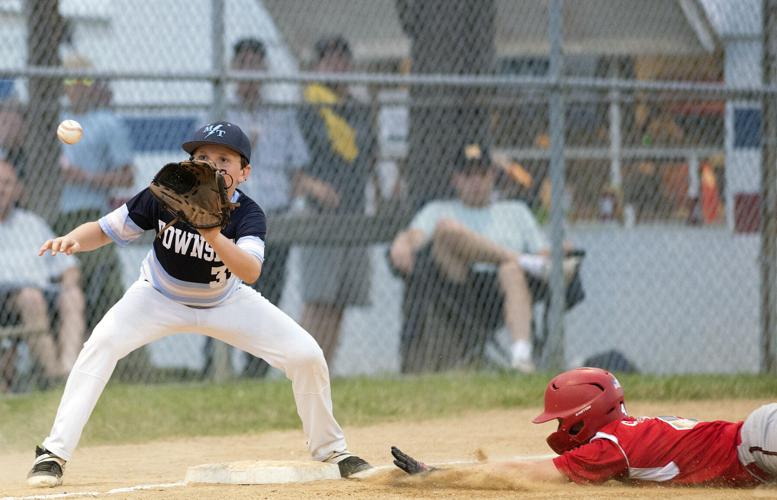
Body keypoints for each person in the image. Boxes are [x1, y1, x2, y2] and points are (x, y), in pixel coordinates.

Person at [26, 121, 371, 488]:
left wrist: (211, 233)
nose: (213, 164)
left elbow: (250, 270)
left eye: (225, 158)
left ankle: (332, 450)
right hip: (156, 296)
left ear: (245, 172)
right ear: (190, 164)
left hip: (226, 301)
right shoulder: (164, 196)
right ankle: (53, 453)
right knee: (101, 344)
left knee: (306, 355)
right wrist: (72, 240)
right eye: (202, 156)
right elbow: (106, 229)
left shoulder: (248, 214)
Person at [391, 367, 776, 487]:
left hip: (758, 444)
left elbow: (530, 472)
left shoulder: (611, 447)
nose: (559, 427)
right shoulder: (623, 434)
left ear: (583, 416)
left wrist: (439, 476)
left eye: (561, 419)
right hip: (756, 443)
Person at [389, 142, 579, 373]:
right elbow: (414, 237)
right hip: (460, 288)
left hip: (507, 287)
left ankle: (521, 358)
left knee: (510, 269)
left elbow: (541, 250)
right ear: (455, 179)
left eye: (482, 174)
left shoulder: (516, 211)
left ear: (492, 175)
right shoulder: (438, 209)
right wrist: (401, 241)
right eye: (468, 175)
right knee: (447, 229)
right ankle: (520, 259)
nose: (476, 182)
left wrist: (559, 250)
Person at [203, 37, 311, 378]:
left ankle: (254, 372)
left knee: (267, 293)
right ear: (234, 69)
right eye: (244, 63)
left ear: (264, 70)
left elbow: (299, 166)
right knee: (217, 288)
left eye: (256, 63)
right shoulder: (219, 112)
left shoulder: (281, 115)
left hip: (274, 213)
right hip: (230, 216)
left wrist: (289, 201)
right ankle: (214, 369)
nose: (250, 71)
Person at [296, 35, 375, 365]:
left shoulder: (359, 108)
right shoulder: (306, 106)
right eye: (329, 59)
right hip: (319, 214)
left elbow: (371, 157)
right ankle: (300, 366)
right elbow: (292, 163)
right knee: (318, 299)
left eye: (343, 59)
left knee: (341, 298)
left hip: (354, 210)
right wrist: (312, 187)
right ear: (316, 66)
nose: (337, 66)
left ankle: (324, 367)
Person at [56, 55, 135, 333]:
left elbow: (127, 175)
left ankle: (120, 358)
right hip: (52, 216)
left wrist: (84, 177)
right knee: (62, 287)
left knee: (102, 285)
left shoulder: (105, 123)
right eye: (69, 80)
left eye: (84, 80)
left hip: (90, 214)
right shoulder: (50, 120)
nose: (77, 86)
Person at [0, 159, 85, 390]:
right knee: (31, 297)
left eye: (7, 183)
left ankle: (70, 372)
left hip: (40, 291)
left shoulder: (32, 223)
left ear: (17, 189)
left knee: (72, 296)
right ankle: (54, 377)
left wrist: (69, 283)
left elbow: (69, 266)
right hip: (5, 297)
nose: (1, 188)